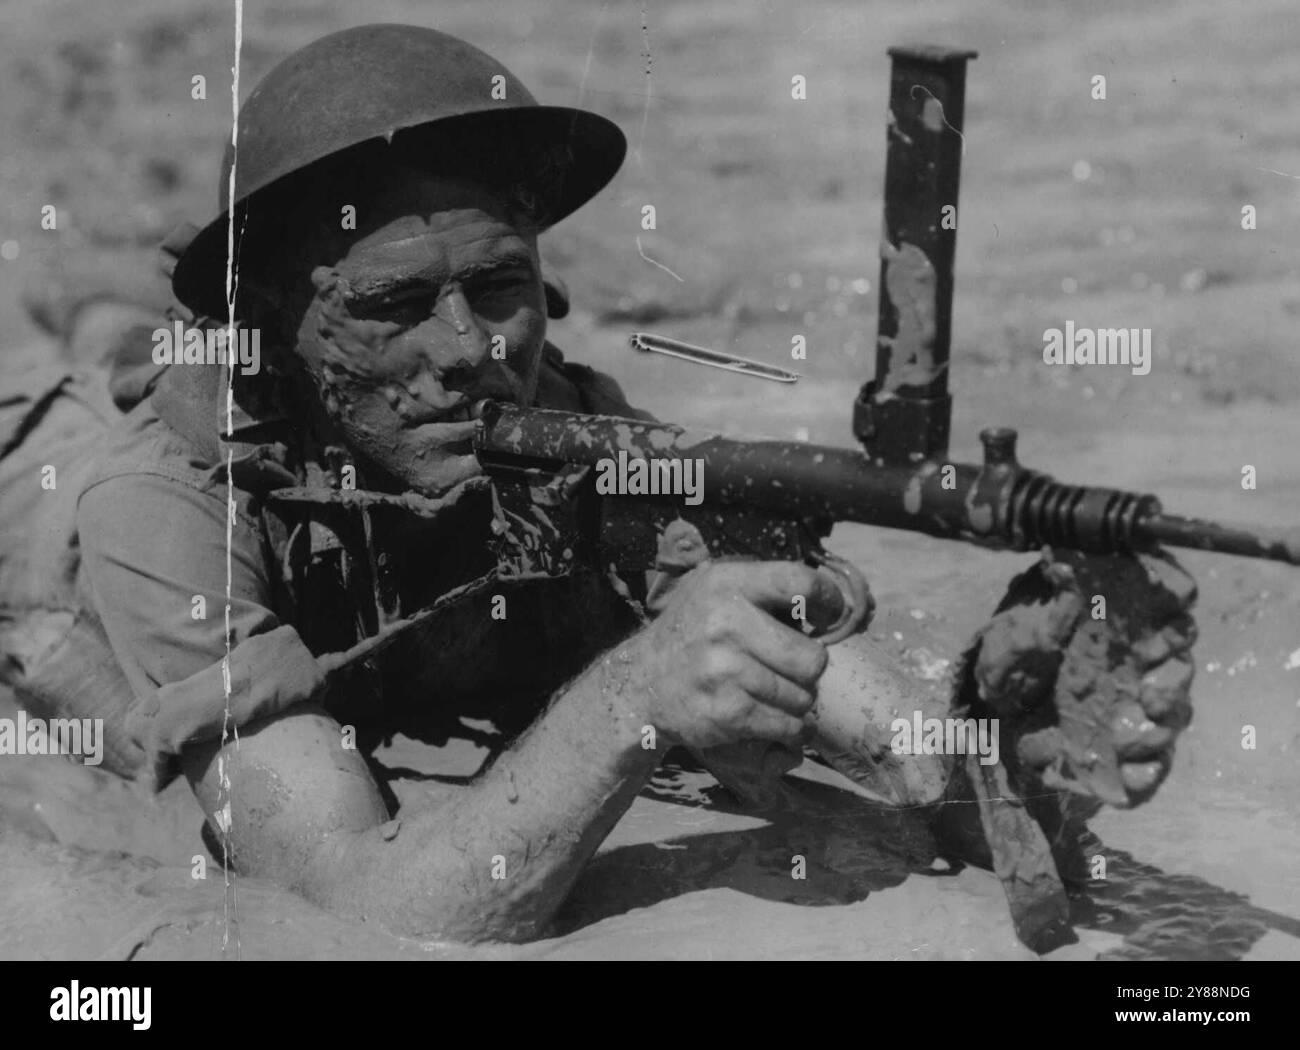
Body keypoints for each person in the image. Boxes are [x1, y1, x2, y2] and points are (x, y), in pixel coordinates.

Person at [0, 24, 1196, 945]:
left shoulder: (563, 430)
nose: (468, 350)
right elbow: (383, 912)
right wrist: (634, 693)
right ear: (271, 324)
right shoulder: (166, 510)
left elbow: (776, 640)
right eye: (391, 306)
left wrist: (979, 739)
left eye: (500, 285)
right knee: (47, 396)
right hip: (39, 513)